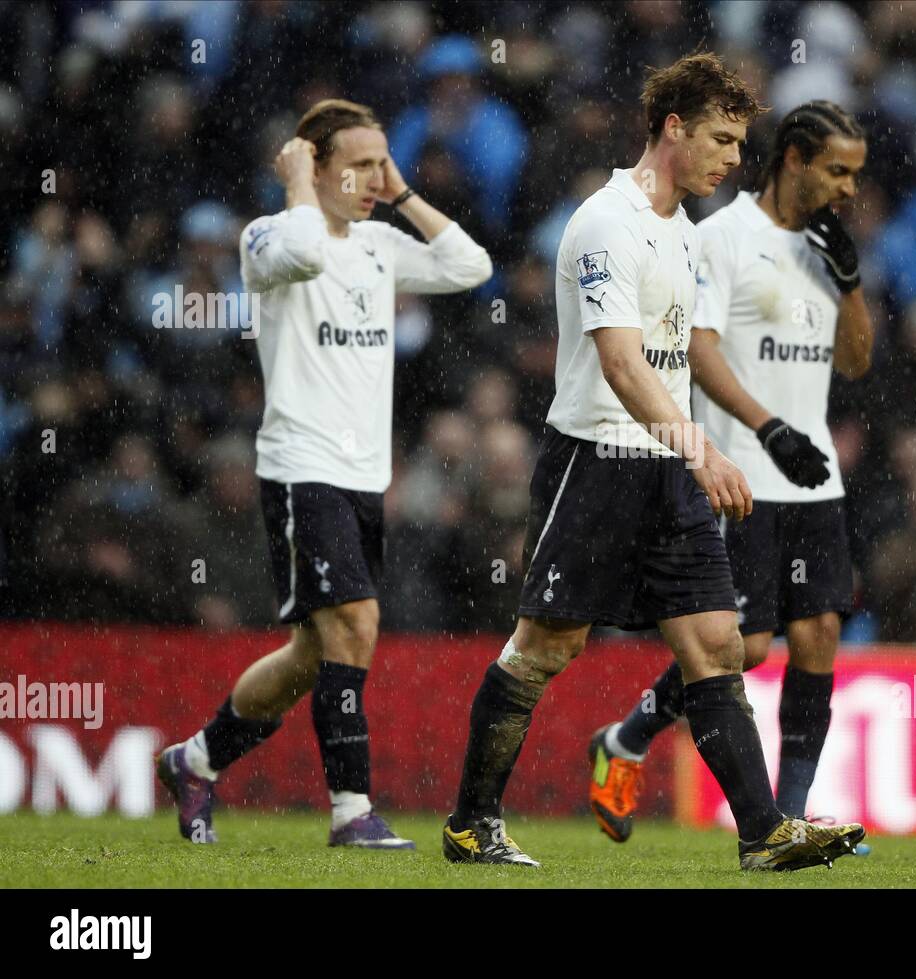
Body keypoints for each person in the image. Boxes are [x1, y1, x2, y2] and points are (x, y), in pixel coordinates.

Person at [440, 55, 864, 871]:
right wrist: (705, 449)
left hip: (667, 470)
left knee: (719, 643)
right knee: (544, 649)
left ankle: (763, 833)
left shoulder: (679, 230)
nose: (734, 159)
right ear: (673, 128)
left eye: (740, 142)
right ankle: (471, 821)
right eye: (721, 139)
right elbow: (623, 365)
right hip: (595, 462)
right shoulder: (607, 221)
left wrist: (688, 457)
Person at [156, 99, 491, 848]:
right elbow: (305, 251)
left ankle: (196, 758)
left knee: (314, 652)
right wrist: (298, 188)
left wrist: (402, 193)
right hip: (301, 466)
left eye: (383, 161)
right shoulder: (270, 235)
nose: (375, 177)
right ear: (314, 165)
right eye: (362, 164)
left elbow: (471, 264)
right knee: (356, 622)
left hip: (365, 474)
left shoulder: (379, 243)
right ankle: (351, 810)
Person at [586, 101, 874, 841]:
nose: (848, 188)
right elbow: (702, 350)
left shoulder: (827, 245)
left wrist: (849, 283)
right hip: (742, 468)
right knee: (743, 646)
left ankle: (792, 811)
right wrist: (765, 427)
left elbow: (856, 361)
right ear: (795, 160)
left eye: (856, 174)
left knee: (817, 637)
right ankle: (626, 738)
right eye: (837, 171)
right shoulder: (721, 238)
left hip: (815, 479)